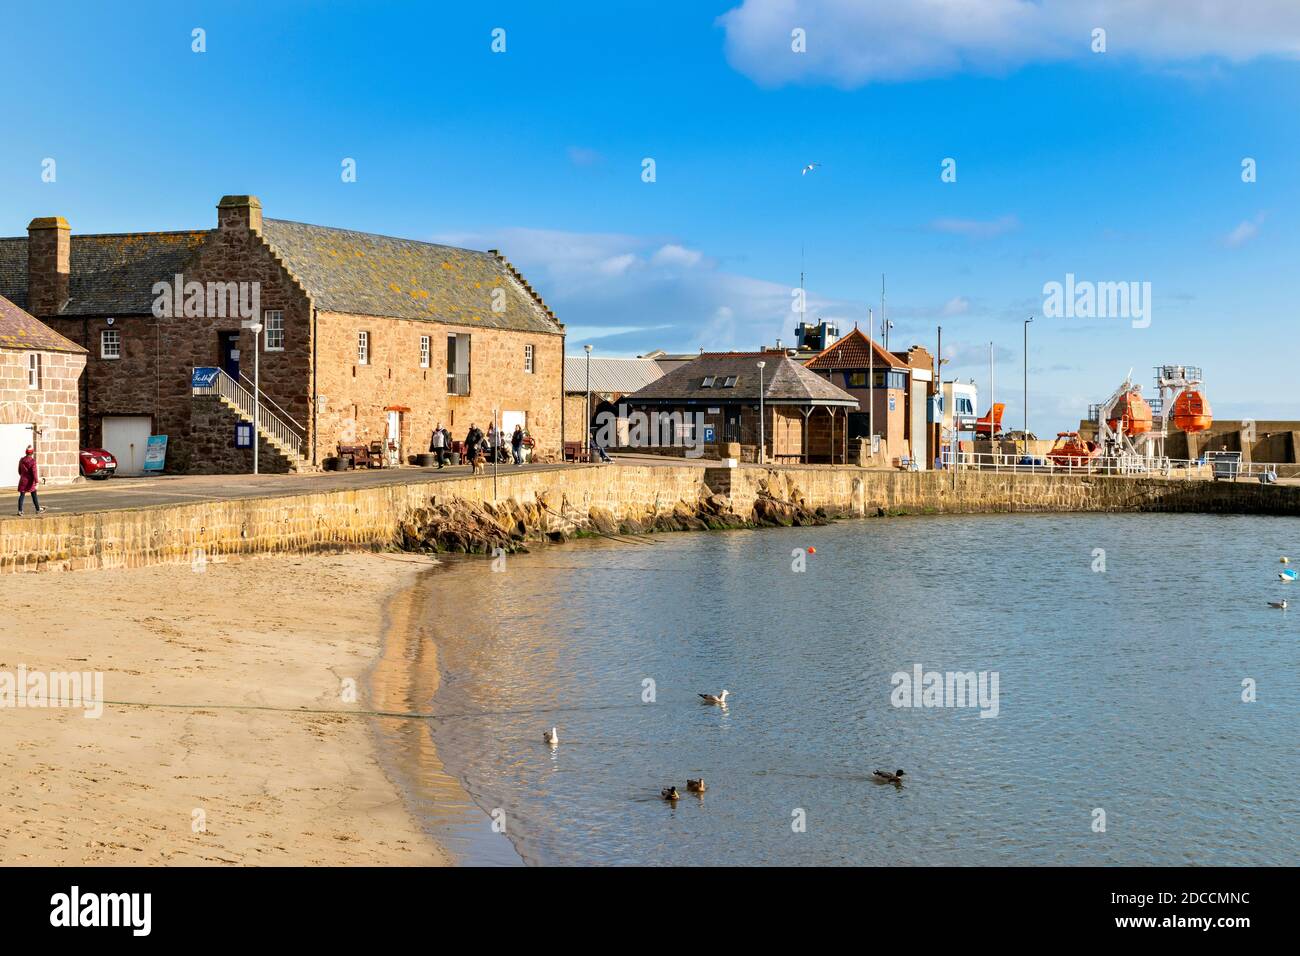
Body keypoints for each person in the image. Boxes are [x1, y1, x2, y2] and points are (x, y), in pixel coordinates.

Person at [16, 446, 45, 516]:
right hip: (30, 481)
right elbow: (34, 472)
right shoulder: (32, 461)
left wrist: (23, 476)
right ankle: (38, 509)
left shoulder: (21, 460)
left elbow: (19, 471)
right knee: (34, 495)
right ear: (32, 453)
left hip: (23, 480)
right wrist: (37, 482)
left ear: (26, 452)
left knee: (21, 495)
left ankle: (20, 511)